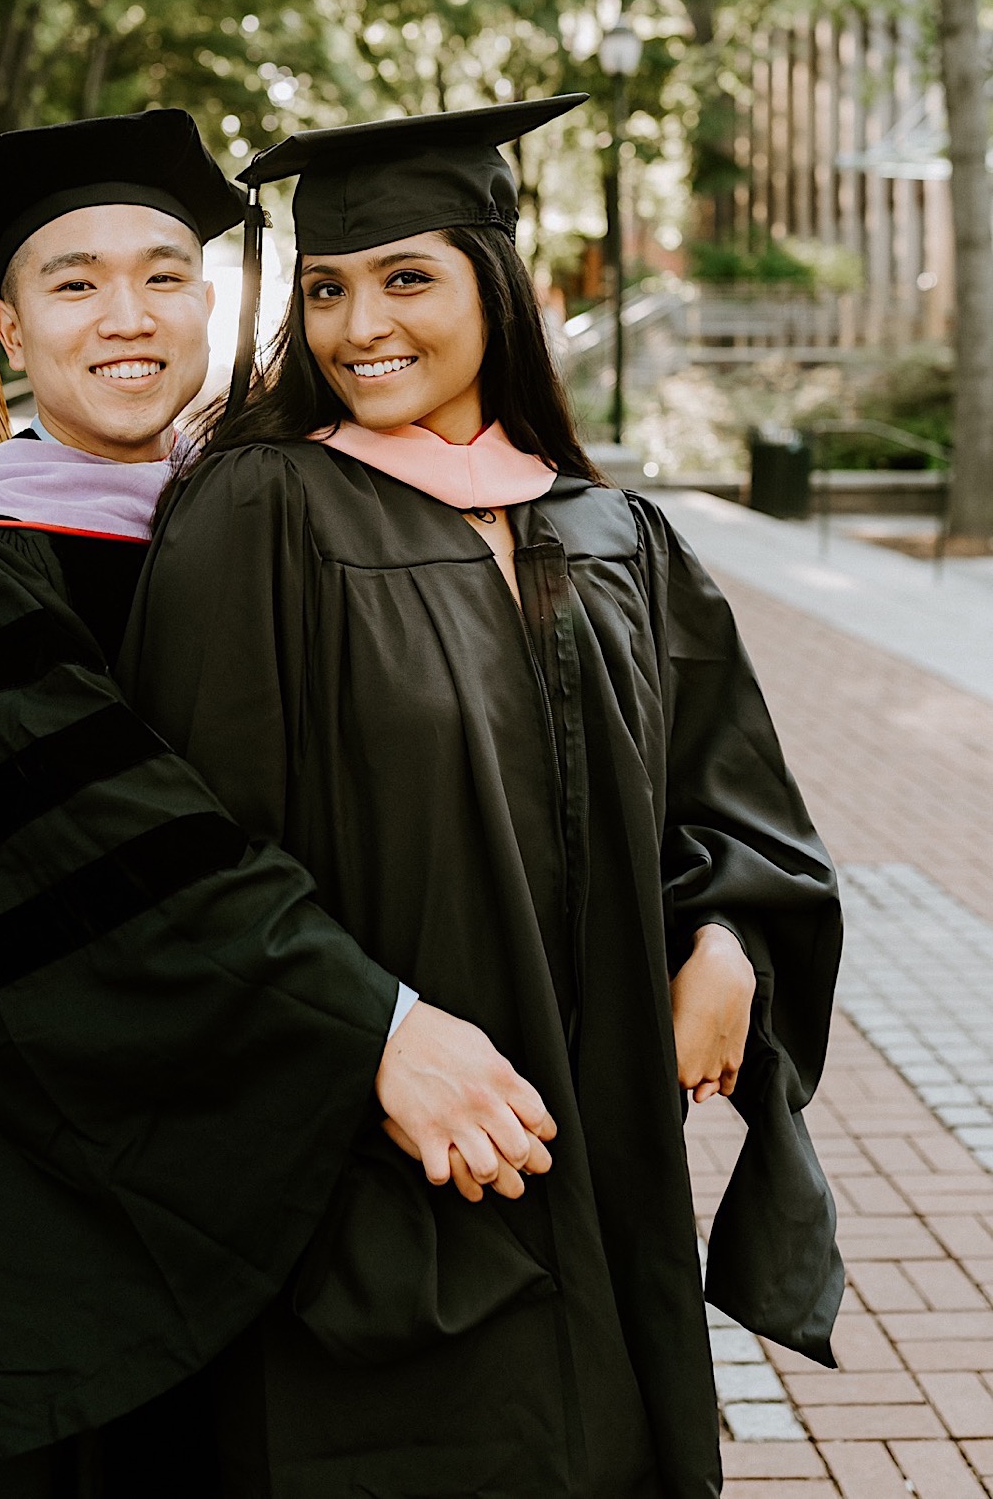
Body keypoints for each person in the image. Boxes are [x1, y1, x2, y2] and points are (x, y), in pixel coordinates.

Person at [124, 99, 844, 1499]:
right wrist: (367, 1043)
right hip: (386, 1174)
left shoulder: (612, 531)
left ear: (494, 288)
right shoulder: (261, 514)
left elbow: (737, 801)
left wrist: (730, 944)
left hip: (611, 1153)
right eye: (326, 288)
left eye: (407, 277)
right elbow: (190, 860)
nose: (357, 325)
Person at [0, 107, 556, 1499]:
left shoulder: (266, 509)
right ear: (4, 326)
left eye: (167, 273)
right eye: (75, 280)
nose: (130, 315)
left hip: (278, 1147)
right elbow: (107, 855)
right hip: (57, 1181)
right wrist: (379, 1024)